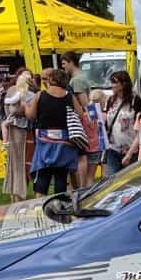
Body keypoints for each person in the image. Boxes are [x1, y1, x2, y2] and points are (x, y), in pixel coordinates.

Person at [26, 68, 78, 197]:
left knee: (43, 173)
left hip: (45, 141)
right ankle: (58, 206)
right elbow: (80, 115)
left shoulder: (40, 95)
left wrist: (26, 107)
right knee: (61, 176)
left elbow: (31, 116)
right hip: (65, 141)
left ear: (51, 79)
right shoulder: (70, 96)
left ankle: (39, 207)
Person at [61, 51, 97, 190]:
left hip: (82, 122)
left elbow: (85, 102)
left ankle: (81, 187)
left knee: (82, 155)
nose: (63, 67)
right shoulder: (81, 77)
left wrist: (90, 119)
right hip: (85, 120)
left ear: (71, 62)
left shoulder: (77, 80)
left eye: (64, 64)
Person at [2, 69, 34, 202]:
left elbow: (8, 109)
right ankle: (18, 195)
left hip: (18, 129)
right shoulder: (26, 94)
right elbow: (26, 113)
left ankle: (16, 194)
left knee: (18, 163)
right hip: (20, 130)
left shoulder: (26, 93)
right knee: (19, 163)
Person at [103, 71, 137, 177]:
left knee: (129, 179)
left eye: (114, 82)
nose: (111, 85)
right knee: (112, 181)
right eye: (111, 82)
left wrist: (131, 151)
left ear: (124, 84)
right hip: (112, 147)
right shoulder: (110, 100)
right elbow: (105, 119)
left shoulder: (135, 100)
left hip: (130, 148)